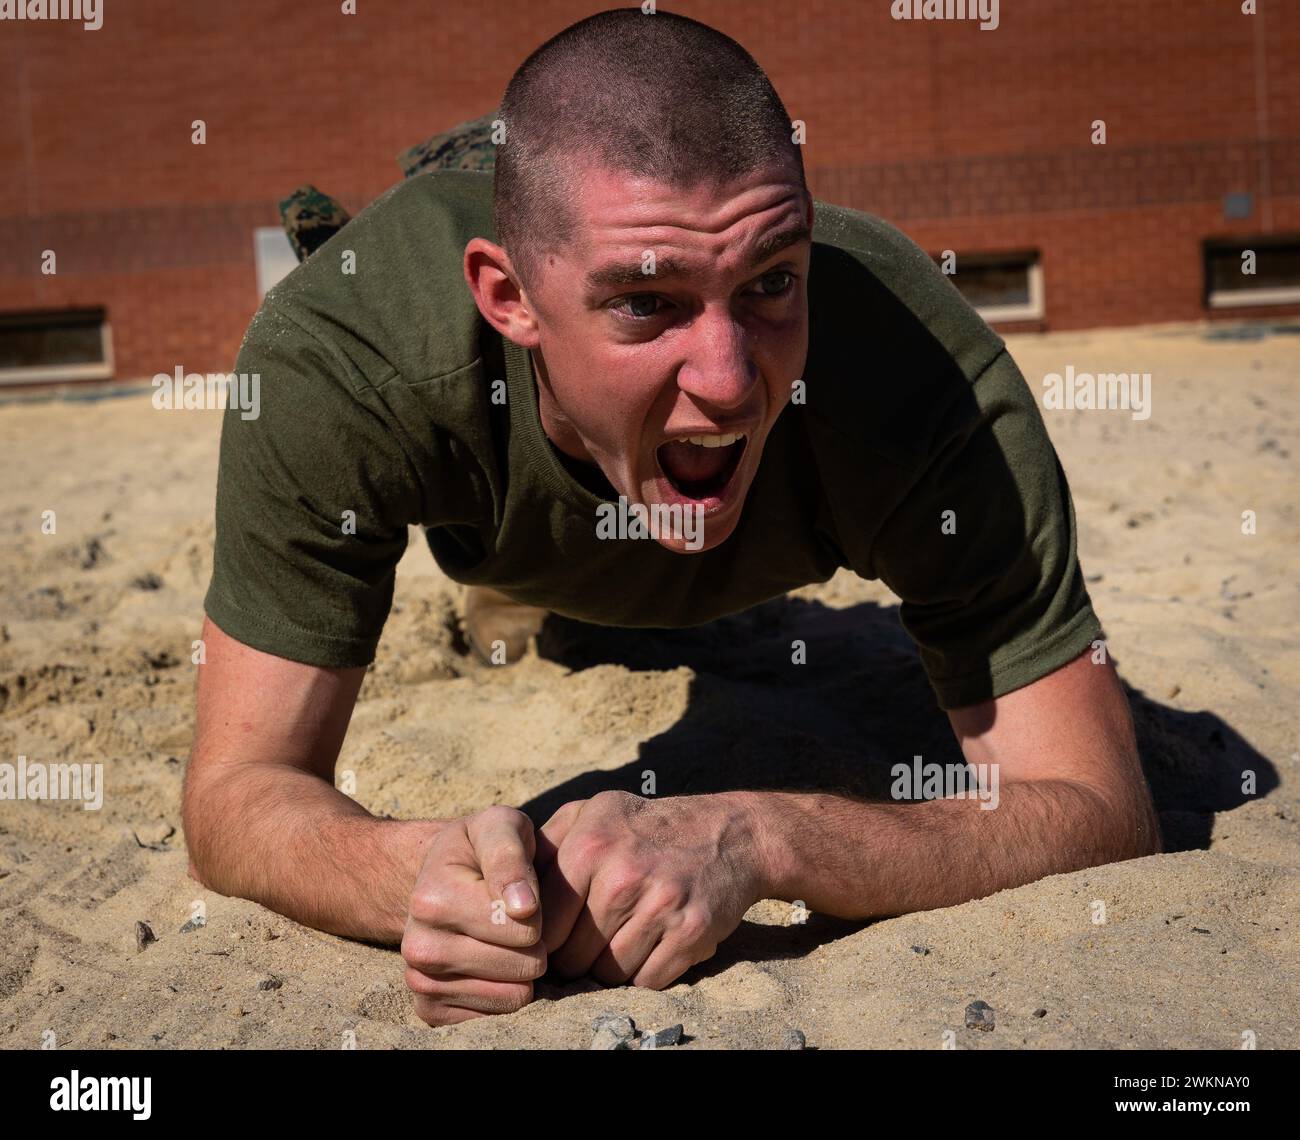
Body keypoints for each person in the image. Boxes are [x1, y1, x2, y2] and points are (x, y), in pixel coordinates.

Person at [183, 8, 1161, 1027]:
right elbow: (235, 796)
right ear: (506, 296)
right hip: (492, 458)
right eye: (647, 303)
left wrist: (765, 837)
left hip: (682, 472)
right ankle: (518, 569)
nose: (733, 381)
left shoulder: (921, 374)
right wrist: (414, 871)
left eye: (771, 281)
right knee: (527, 584)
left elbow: (1099, 810)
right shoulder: (343, 362)